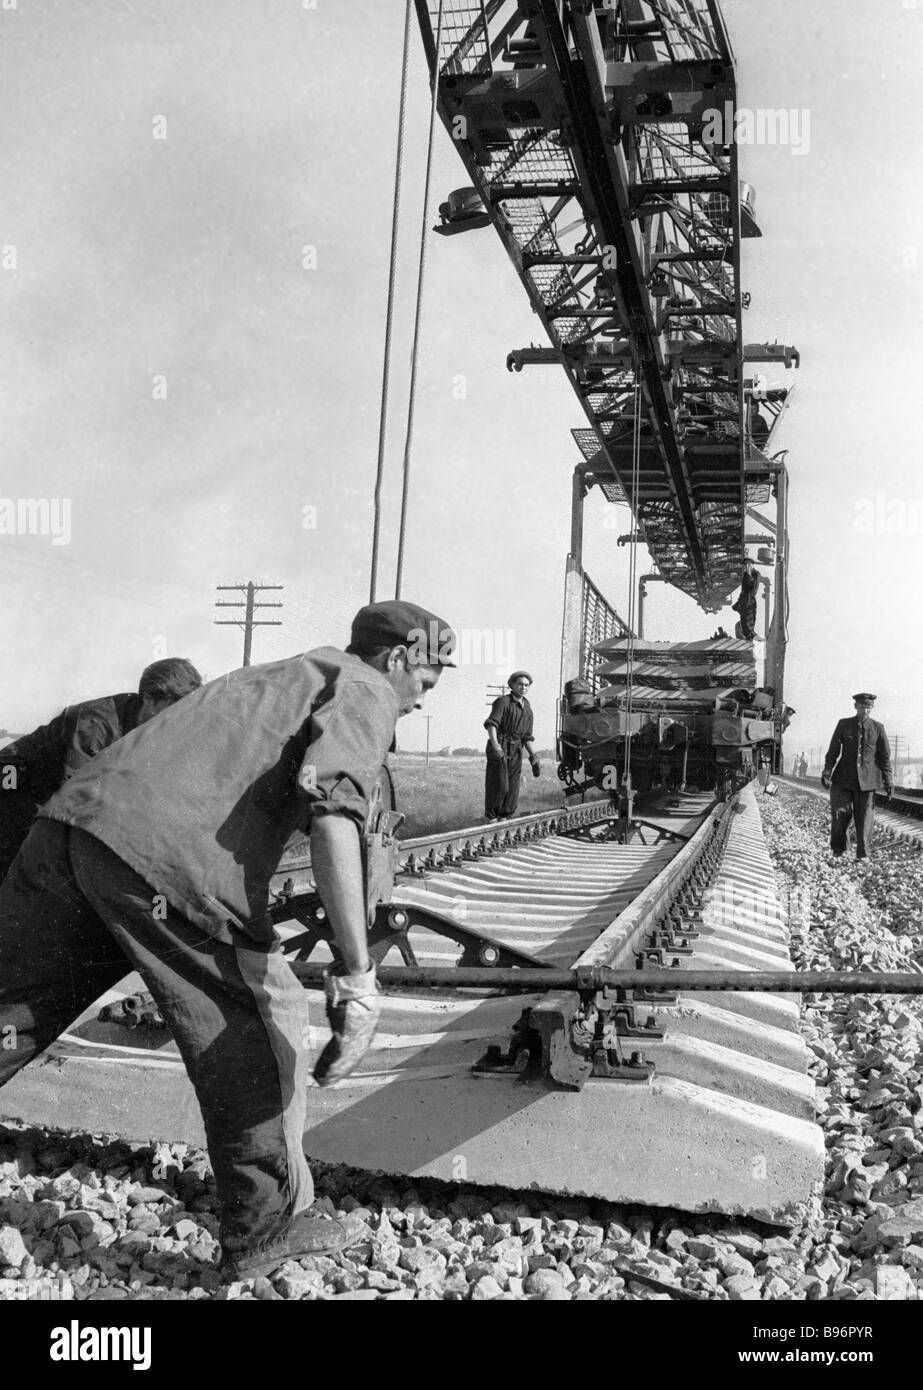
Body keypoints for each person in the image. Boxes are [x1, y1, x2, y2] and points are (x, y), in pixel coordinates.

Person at [0, 600, 455, 1280]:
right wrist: (356, 972)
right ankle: (265, 1225)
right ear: (397, 660)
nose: (423, 700)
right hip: (161, 858)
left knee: (16, 1010)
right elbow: (335, 822)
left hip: (69, 828)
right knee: (260, 1024)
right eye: (427, 680)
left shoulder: (282, 672)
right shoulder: (364, 688)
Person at [0, 658, 202, 879]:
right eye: (171, 710)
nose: (176, 720)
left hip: (48, 787)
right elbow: (73, 797)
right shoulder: (97, 723)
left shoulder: (151, 728)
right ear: (149, 700)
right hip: (17, 781)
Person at [822, 692, 892, 861]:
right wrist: (827, 772)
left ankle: (863, 854)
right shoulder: (843, 724)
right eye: (862, 707)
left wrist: (888, 780)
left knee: (865, 818)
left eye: (869, 707)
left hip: (868, 782)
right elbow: (833, 751)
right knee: (839, 814)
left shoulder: (878, 728)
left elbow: (884, 757)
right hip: (843, 779)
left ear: (872, 708)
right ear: (855, 707)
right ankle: (838, 850)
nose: (865, 711)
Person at [484, 671, 539, 820]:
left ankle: (505, 817)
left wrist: (533, 755)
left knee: (513, 787)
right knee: (500, 785)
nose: (523, 687)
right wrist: (496, 745)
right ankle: (492, 818)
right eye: (520, 684)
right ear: (512, 685)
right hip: (500, 744)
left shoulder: (527, 707)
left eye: (526, 685)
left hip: (516, 749)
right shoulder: (503, 702)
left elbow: (526, 736)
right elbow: (492, 725)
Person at [730, 558, 761, 641]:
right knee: (744, 625)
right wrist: (738, 602)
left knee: (749, 626)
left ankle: (757, 641)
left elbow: (753, 589)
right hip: (743, 601)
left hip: (749, 601)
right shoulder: (745, 574)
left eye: (749, 564)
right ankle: (749, 641)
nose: (747, 566)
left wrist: (749, 575)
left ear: (752, 565)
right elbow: (743, 591)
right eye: (745, 564)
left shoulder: (756, 574)